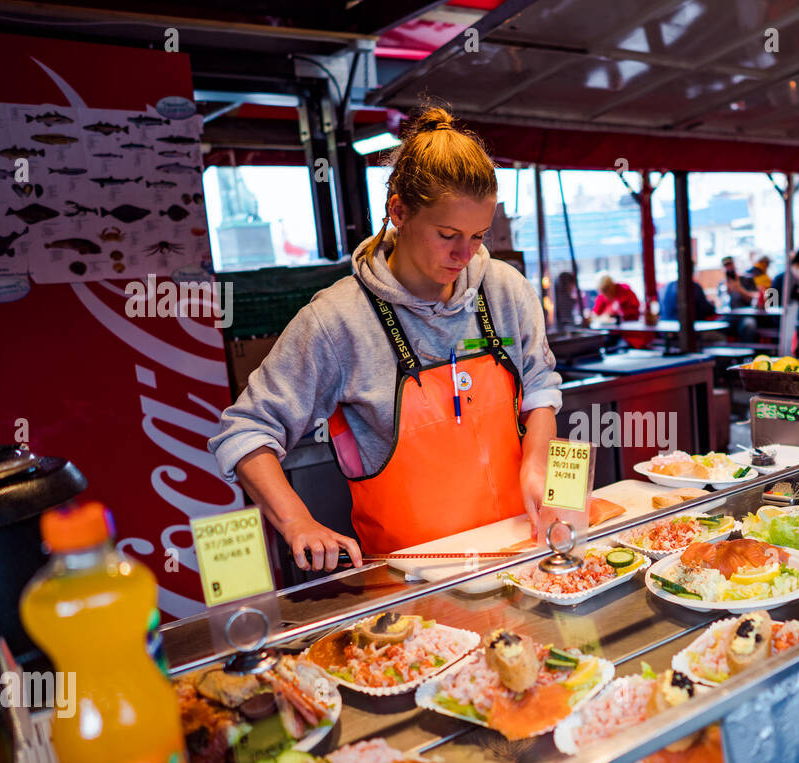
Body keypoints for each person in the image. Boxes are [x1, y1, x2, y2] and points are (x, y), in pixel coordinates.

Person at [209, 106, 562, 571]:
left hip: (523, 556)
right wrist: (296, 520)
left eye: (478, 235)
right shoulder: (338, 320)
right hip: (410, 581)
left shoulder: (504, 289)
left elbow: (539, 387)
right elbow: (246, 429)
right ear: (398, 210)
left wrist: (538, 465)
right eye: (447, 234)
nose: (465, 253)